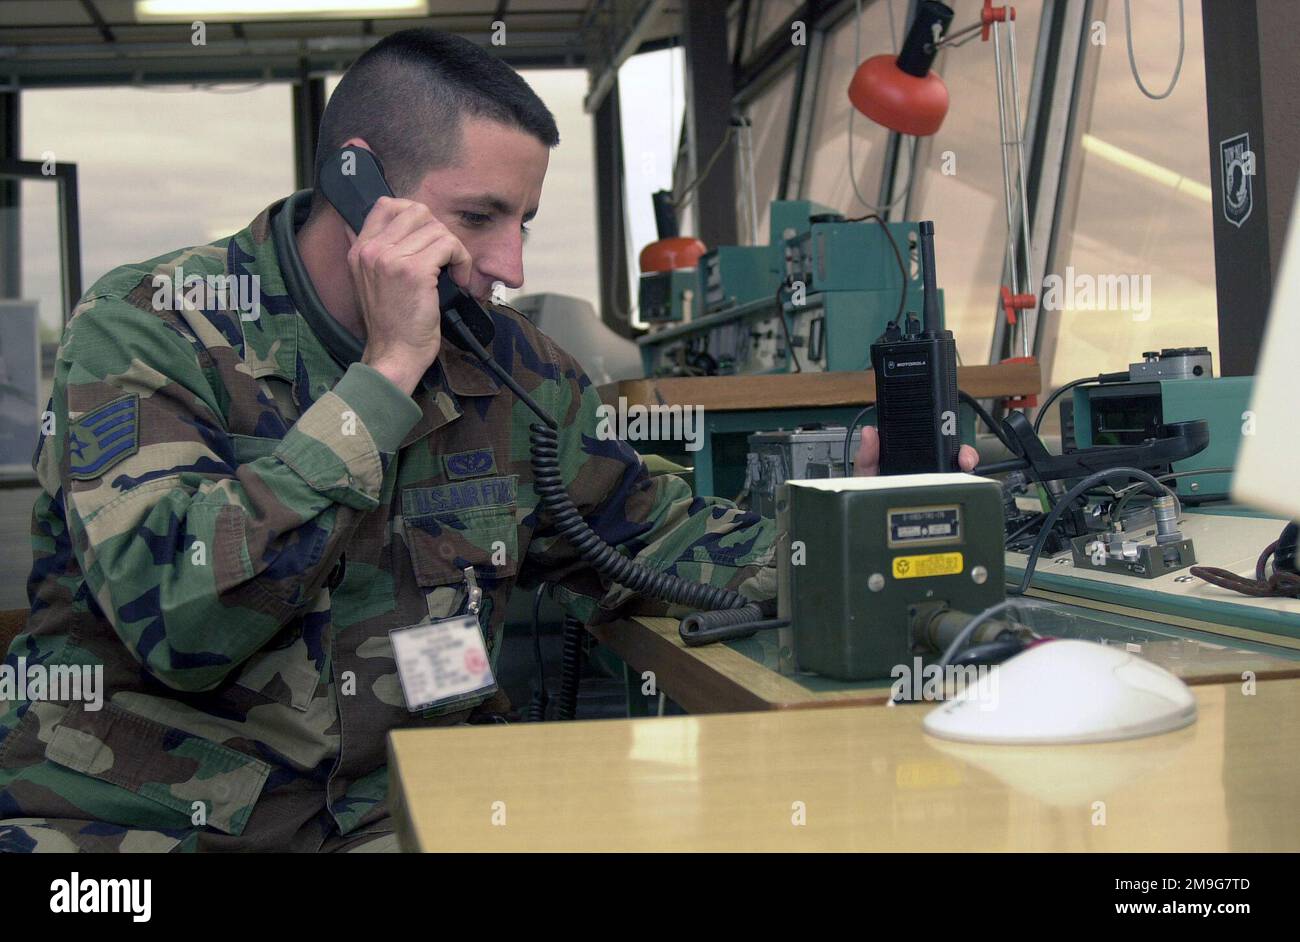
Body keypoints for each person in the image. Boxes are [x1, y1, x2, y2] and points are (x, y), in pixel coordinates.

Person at [0, 29, 976, 853]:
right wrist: (381, 381)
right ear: (356, 186)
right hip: (141, 824)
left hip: (395, 809)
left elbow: (652, 536)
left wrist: (851, 519)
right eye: (480, 217)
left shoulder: (515, 369)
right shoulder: (150, 326)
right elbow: (181, 621)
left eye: (525, 221)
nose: (510, 264)